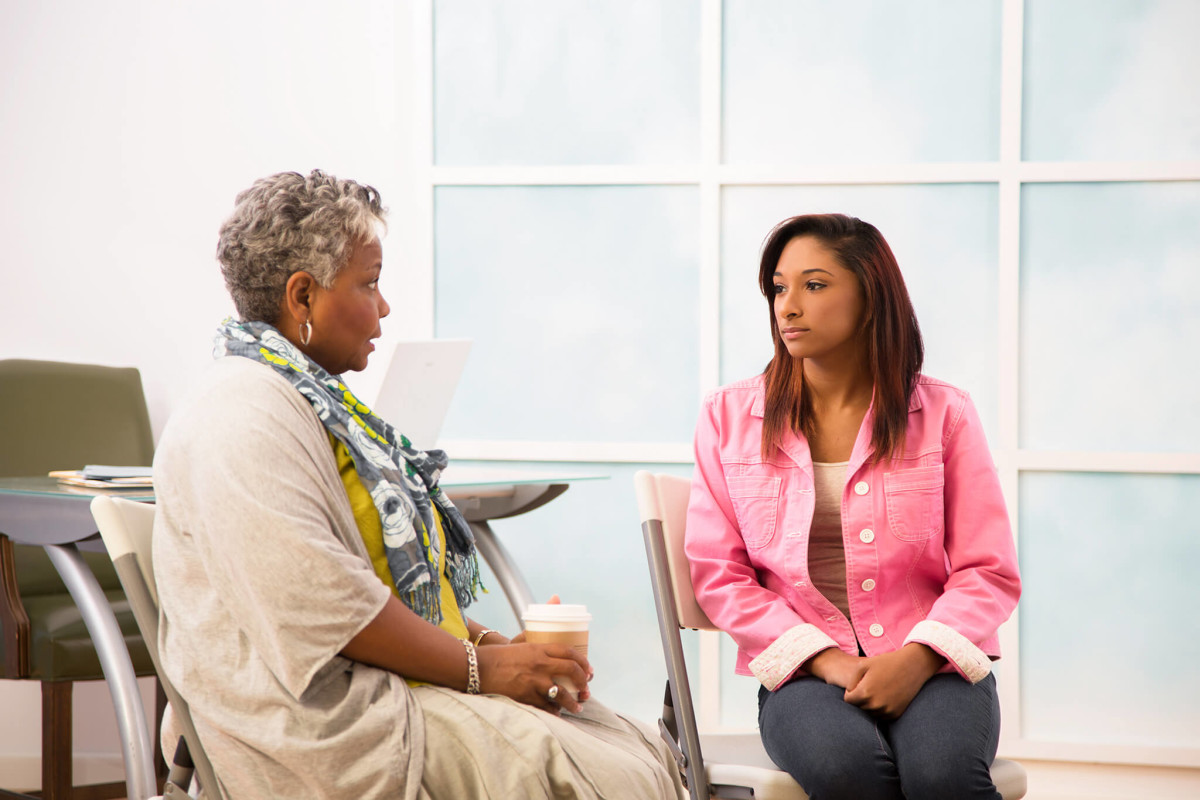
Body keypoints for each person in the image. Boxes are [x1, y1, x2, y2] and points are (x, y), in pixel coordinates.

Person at [152, 170, 683, 799]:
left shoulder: (309, 403)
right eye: (368, 284)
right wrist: (484, 667)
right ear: (302, 297)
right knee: (609, 774)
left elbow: (374, 579)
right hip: (322, 722)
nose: (383, 307)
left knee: (627, 739)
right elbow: (328, 610)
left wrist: (494, 647)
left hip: (373, 686)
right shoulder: (240, 414)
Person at [685, 214, 1021, 799]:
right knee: (849, 771)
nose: (788, 307)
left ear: (871, 298)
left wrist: (916, 658)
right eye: (779, 288)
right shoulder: (727, 418)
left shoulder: (947, 414)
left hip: (934, 662)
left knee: (943, 777)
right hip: (805, 670)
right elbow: (721, 576)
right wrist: (827, 659)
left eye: (813, 286)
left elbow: (986, 571)